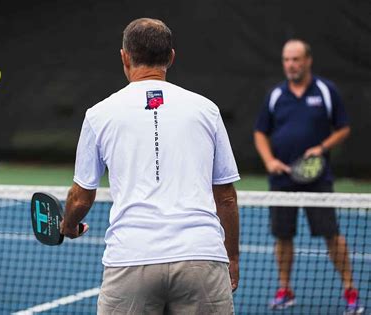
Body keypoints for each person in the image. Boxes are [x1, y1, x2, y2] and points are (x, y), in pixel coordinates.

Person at [60, 18, 240, 314]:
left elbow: (81, 197)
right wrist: (231, 257)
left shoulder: (98, 114)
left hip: (131, 258)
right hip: (202, 255)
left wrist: (68, 226)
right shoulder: (207, 110)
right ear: (171, 57)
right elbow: (227, 198)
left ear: (125, 57)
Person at [254, 39, 364, 314]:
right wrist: (269, 160)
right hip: (282, 180)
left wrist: (322, 147)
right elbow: (259, 132)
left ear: (307, 60)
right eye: (286, 60)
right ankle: (284, 289)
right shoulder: (276, 95)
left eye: (295, 59)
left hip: (317, 179)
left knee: (332, 235)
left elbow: (343, 128)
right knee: (282, 236)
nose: (290, 64)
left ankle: (350, 290)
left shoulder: (326, 91)